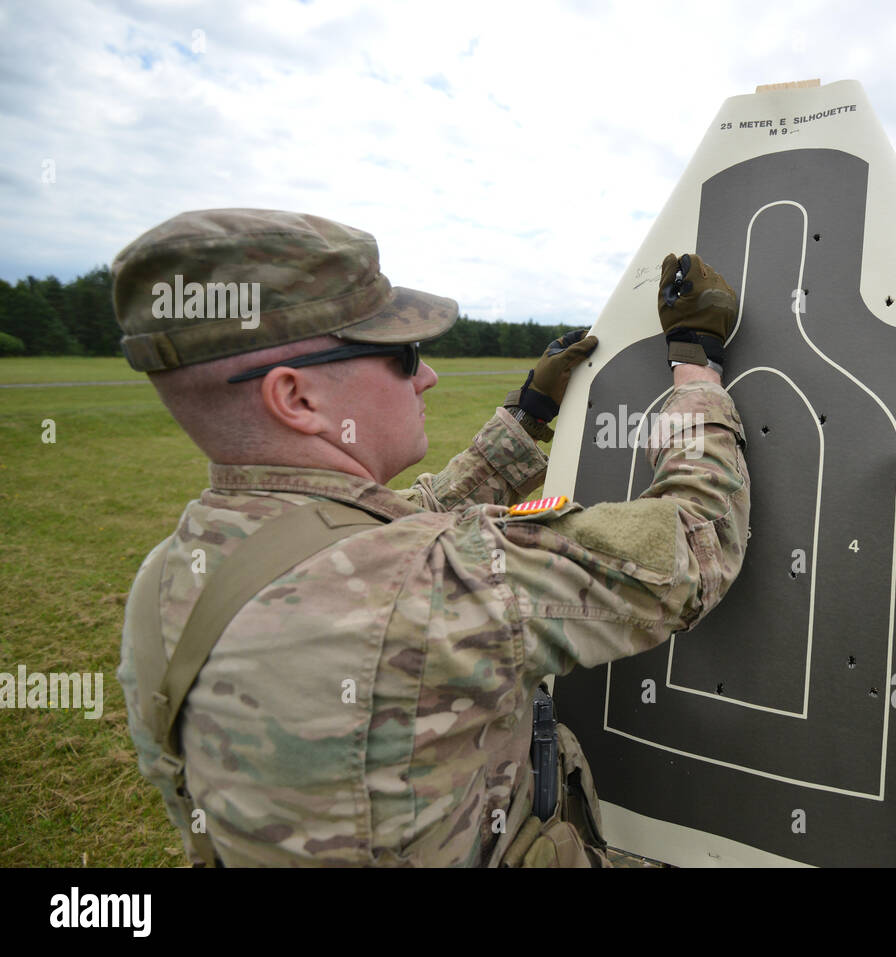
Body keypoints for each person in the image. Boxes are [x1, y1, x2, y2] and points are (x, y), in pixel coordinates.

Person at [112, 208, 750, 867]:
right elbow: (696, 541)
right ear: (296, 397)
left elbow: (368, 530)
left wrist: (525, 418)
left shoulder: (164, 581)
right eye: (402, 354)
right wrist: (697, 371)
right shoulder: (448, 580)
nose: (427, 376)